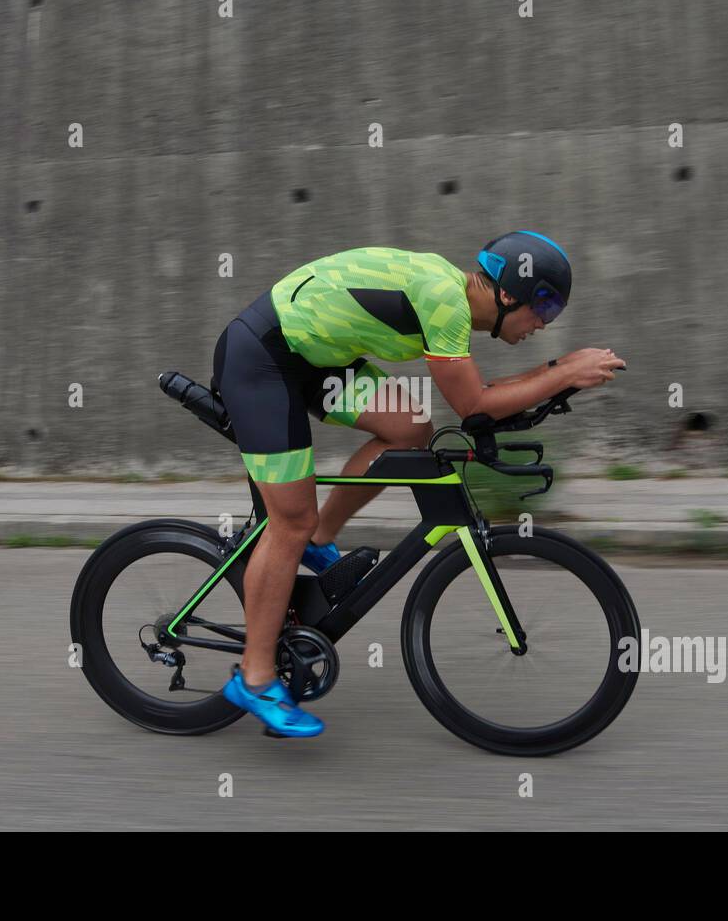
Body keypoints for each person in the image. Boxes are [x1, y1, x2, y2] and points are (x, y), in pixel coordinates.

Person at [211, 232, 626, 737]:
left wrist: (558, 370)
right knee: (290, 521)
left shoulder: (449, 297)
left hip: (313, 359)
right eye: (545, 307)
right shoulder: (443, 300)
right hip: (263, 360)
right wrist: (562, 372)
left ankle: (321, 541)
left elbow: (484, 397)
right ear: (509, 293)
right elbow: (475, 406)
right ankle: (254, 679)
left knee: (409, 427)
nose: (544, 323)